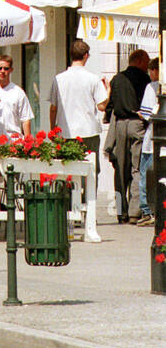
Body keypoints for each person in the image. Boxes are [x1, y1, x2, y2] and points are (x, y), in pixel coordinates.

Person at [105, 49, 151, 223]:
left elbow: (110, 106)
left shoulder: (116, 79)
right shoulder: (145, 80)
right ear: (139, 61)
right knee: (137, 168)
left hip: (119, 125)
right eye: (146, 62)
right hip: (137, 124)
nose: (147, 66)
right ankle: (134, 211)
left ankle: (120, 211)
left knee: (120, 169)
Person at [48, 39, 108, 160]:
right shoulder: (93, 79)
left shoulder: (58, 79)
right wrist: (108, 90)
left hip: (65, 132)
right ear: (85, 55)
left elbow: (53, 108)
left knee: (67, 172)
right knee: (90, 171)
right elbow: (102, 106)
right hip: (88, 131)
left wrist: (53, 129)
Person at [135, 59, 159, 226]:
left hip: (152, 138)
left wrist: (139, 114)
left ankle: (147, 210)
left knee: (145, 174)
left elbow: (146, 113)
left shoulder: (152, 87)